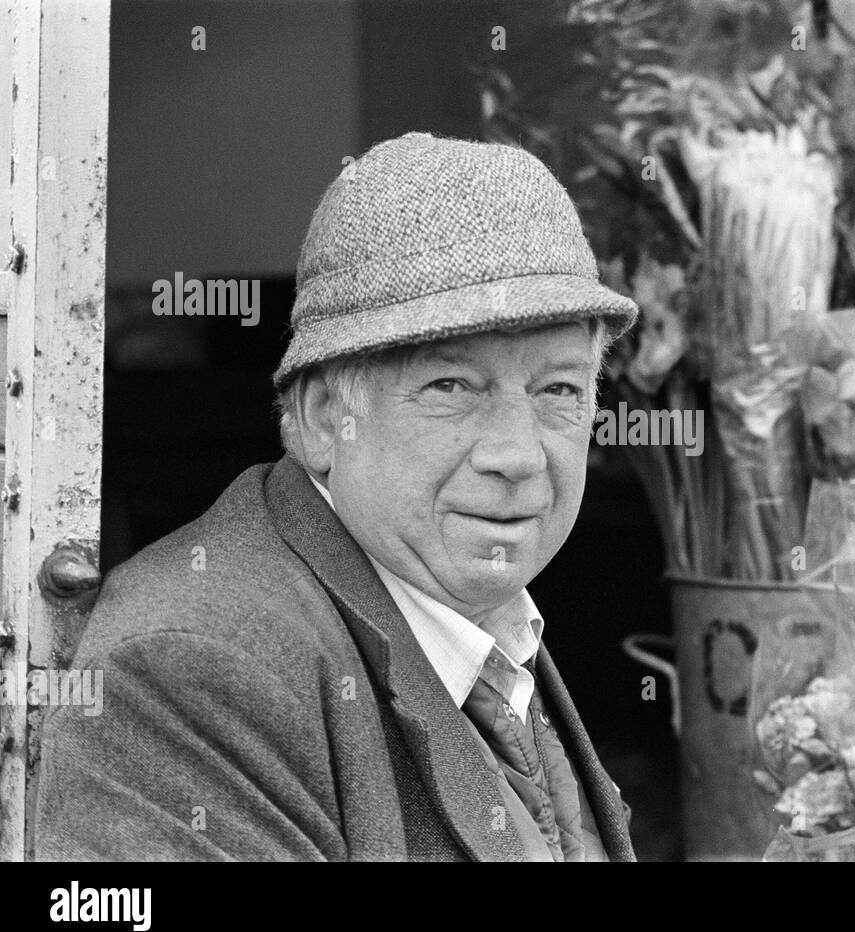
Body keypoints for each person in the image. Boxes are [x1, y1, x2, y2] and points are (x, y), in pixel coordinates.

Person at [35, 132, 639, 861]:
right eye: (450, 385)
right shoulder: (197, 663)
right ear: (324, 417)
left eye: (559, 390)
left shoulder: (474, 612)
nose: (517, 454)